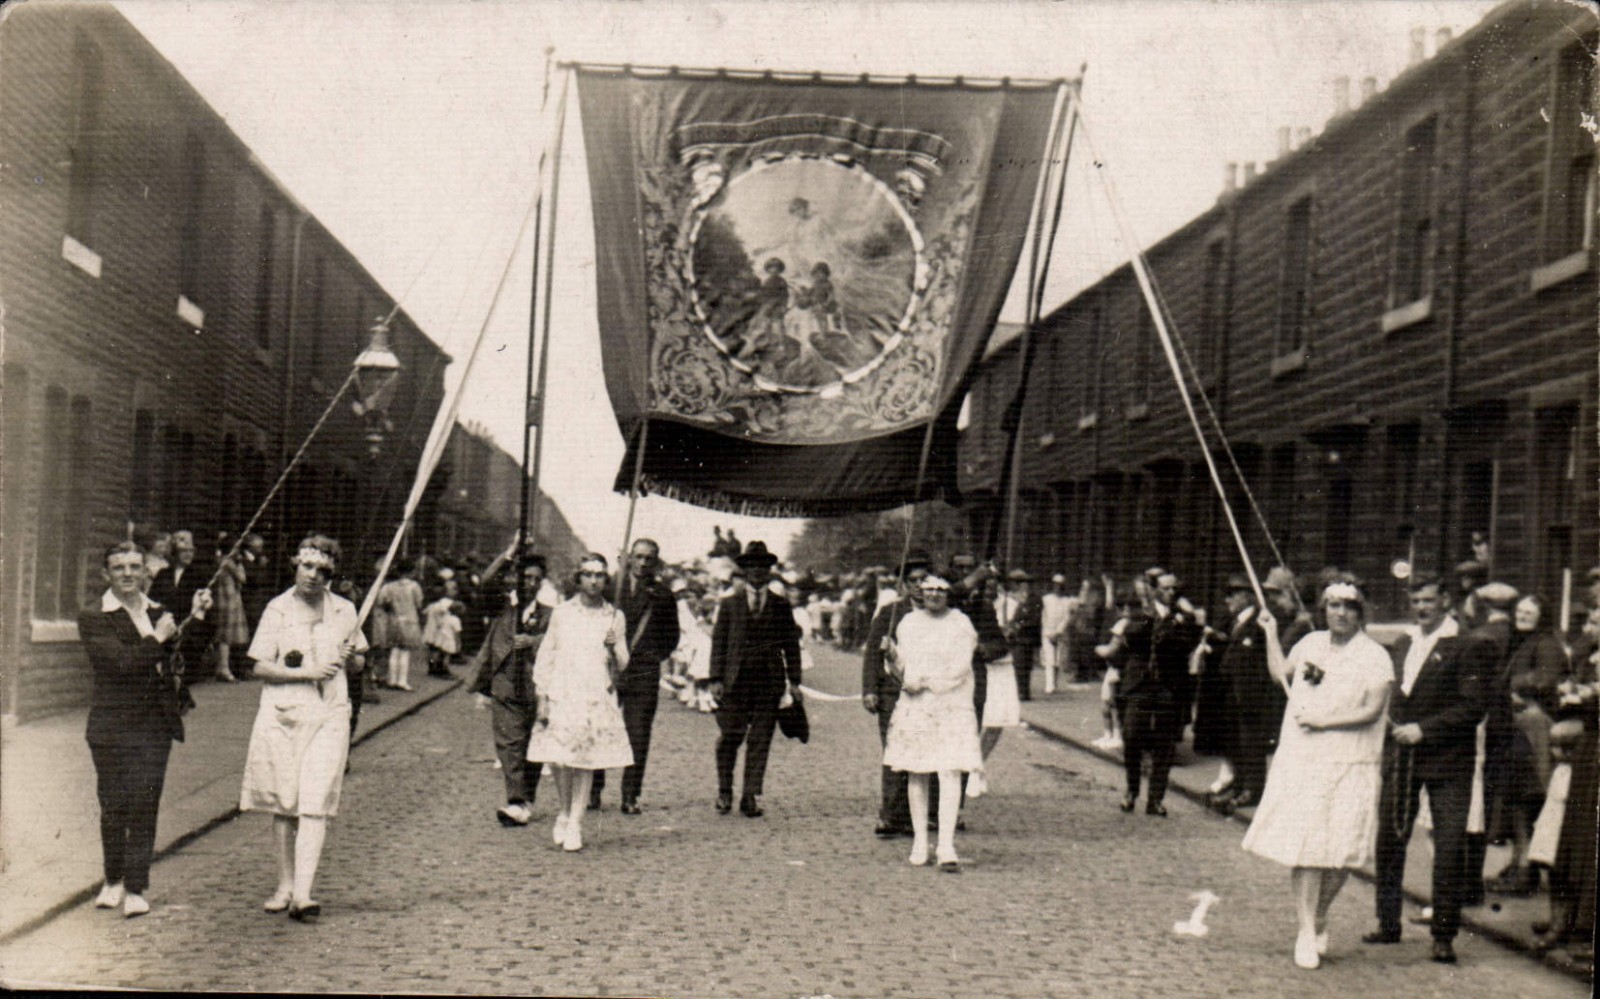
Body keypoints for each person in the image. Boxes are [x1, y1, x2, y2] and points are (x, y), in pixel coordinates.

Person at [1242, 575, 1394, 970]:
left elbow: (1372, 710)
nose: (1340, 614)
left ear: (1361, 612)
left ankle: (1320, 912)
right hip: (1306, 759)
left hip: (1351, 762)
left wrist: (1325, 721)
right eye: (1333, 606)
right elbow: (1282, 674)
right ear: (1324, 609)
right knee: (1308, 847)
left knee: (1342, 853)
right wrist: (1272, 634)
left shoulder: (1375, 656)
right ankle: (1307, 929)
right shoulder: (1309, 643)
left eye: (1348, 607)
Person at [1364, 573, 1491, 964]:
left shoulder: (1468, 645)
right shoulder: (1404, 643)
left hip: (1448, 761)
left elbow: (1473, 707)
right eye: (1416, 600)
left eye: (1429, 600)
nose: (1421, 607)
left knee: (1449, 847)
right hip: (1403, 758)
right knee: (1390, 837)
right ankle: (1388, 923)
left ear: (1446, 601)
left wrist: (1424, 729)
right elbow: (1393, 692)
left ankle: (1444, 934)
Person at [80, 541, 211, 918]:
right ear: (106, 575)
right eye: (118, 567)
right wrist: (157, 638)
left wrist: (199, 617)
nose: (127, 574)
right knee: (114, 805)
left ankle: (136, 886)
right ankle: (112, 880)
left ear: (145, 573)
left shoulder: (158, 612)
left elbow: (187, 654)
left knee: (144, 803)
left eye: (135, 567)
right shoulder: (95, 617)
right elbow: (120, 664)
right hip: (112, 725)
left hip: (154, 725)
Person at [240, 536, 367, 922]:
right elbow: (258, 665)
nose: (314, 576)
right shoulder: (278, 609)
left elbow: (360, 661)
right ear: (296, 565)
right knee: (286, 802)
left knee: (315, 801)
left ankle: (304, 893)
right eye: (307, 567)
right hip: (283, 716)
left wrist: (351, 658)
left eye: (323, 571)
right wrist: (305, 672)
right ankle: (284, 884)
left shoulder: (344, 610)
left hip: (329, 714)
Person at [527, 554, 635, 852]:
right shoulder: (563, 613)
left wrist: (615, 647)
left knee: (585, 761)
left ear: (606, 580)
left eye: (600, 575)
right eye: (588, 574)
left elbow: (624, 663)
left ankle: (575, 821)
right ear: (579, 578)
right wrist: (542, 697)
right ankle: (563, 811)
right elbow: (547, 655)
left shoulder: (614, 616)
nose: (593, 580)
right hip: (563, 691)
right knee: (561, 758)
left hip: (594, 694)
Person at [882, 576, 984, 871]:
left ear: (948, 594)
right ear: (920, 592)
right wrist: (892, 656)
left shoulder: (960, 623)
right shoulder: (908, 623)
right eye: (929, 590)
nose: (935, 595)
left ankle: (946, 845)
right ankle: (919, 841)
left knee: (949, 771)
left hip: (949, 704)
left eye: (941, 590)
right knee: (917, 772)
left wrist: (924, 683)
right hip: (917, 707)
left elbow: (961, 667)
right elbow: (902, 667)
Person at [709, 541, 802, 818]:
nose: (758, 571)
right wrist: (715, 678)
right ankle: (725, 790)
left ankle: (750, 795)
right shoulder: (729, 604)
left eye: (763, 566)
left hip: (768, 683)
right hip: (734, 682)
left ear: (770, 570)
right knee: (730, 737)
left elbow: (791, 645)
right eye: (752, 566)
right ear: (745, 569)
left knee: (760, 740)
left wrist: (794, 681)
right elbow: (719, 643)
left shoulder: (780, 605)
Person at [1485, 592, 1567, 895]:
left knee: (1526, 799)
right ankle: (1519, 863)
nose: (1522, 617)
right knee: (1516, 800)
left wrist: (1512, 686)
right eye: (1519, 611)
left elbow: (1546, 679)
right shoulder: (1522, 642)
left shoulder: (1546, 643)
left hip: (1534, 731)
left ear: (1541, 616)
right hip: (1517, 727)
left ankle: (1525, 870)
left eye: (1529, 613)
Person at [591, 538, 680, 815]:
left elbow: (671, 636)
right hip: (606, 668)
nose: (642, 563)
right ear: (629, 558)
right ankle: (594, 790)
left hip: (643, 670)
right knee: (600, 727)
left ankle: (631, 794)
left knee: (638, 733)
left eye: (649, 558)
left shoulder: (662, 595)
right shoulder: (608, 588)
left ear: (656, 561)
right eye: (638, 557)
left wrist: (652, 655)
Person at [469, 552, 552, 827]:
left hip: (535, 686)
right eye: (525, 577)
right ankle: (515, 800)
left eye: (535, 579)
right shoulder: (503, 608)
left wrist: (532, 640)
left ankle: (527, 798)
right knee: (509, 744)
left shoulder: (550, 615)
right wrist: (509, 554)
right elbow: (486, 583)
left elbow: (557, 643)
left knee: (532, 746)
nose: (529, 583)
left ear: (542, 583)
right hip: (505, 684)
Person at [861, 553, 932, 838]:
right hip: (893, 692)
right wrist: (869, 689)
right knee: (894, 750)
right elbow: (872, 654)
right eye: (912, 580)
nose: (918, 585)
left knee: (923, 752)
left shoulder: (938, 611)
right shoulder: (890, 614)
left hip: (928, 694)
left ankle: (917, 815)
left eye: (923, 580)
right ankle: (889, 815)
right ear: (902, 584)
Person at [1119, 570, 1201, 817]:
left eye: (1173, 588)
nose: (1170, 592)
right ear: (1154, 590)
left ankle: (1155, 799)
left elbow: (1187, 644)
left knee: (1165, 743)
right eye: (1165, 588)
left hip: (1168, 685)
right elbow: (1131, 637)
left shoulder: (1183, 617)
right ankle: (1132, 790)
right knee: (1132, 735)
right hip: (1141, 684)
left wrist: (1178, 623)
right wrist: (1152, 619)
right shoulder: (1141, 612)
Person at [1212, 573, 1282, 814]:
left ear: (1248, 597)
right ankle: (1239, 784)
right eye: (1228, 593)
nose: (1229, 599)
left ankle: (1253, 789)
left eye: (1234, 594)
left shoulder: (1258, 622)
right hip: (1234, 693)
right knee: (1236, 742)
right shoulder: (1236, 621)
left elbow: (1263, 660)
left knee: (1251, 744)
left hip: (1252, 696)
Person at [377, 558, 425, 691]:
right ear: (411, 571)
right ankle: (402, 681)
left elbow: (382, 601)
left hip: (394, 620)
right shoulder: (414, 586)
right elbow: (419, 603)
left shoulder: (389, 586)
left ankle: (392, 680)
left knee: (394, 650)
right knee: (405, 651)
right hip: (409, 620)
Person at [997, 569, 1042, 701]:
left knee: (1023, 665)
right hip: (1013, 635)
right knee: (1016, 664)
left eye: (1017, 582)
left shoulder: (1033, 598)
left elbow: (1034, 618)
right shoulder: (1009, 597)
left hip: (1025, 637)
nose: (1014, 585)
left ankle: (1023, 692)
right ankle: (1019, 691)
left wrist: (1017, 626)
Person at [210, 532, 249, 682]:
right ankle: (224, 668)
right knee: (226, 635)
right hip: (227, 600)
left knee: (227, 635)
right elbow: (242, 578)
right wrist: (239, 562)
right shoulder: (228, 562)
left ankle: (224, 667)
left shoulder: (222, 560)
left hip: (228, 598)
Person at [1040, 573, 1074, 695]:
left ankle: (1054, 682)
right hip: (1047, 632)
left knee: (1058, 659)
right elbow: (1043, 616)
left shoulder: (1066, 601)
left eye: (1060, 585)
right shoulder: (1046, 599)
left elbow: (1067, 618)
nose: (1057, 587)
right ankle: (1049, 685)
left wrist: (1058, 632)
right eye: (1055, 585)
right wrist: (1048, 632)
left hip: (1060, 633)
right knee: (1049, 659)